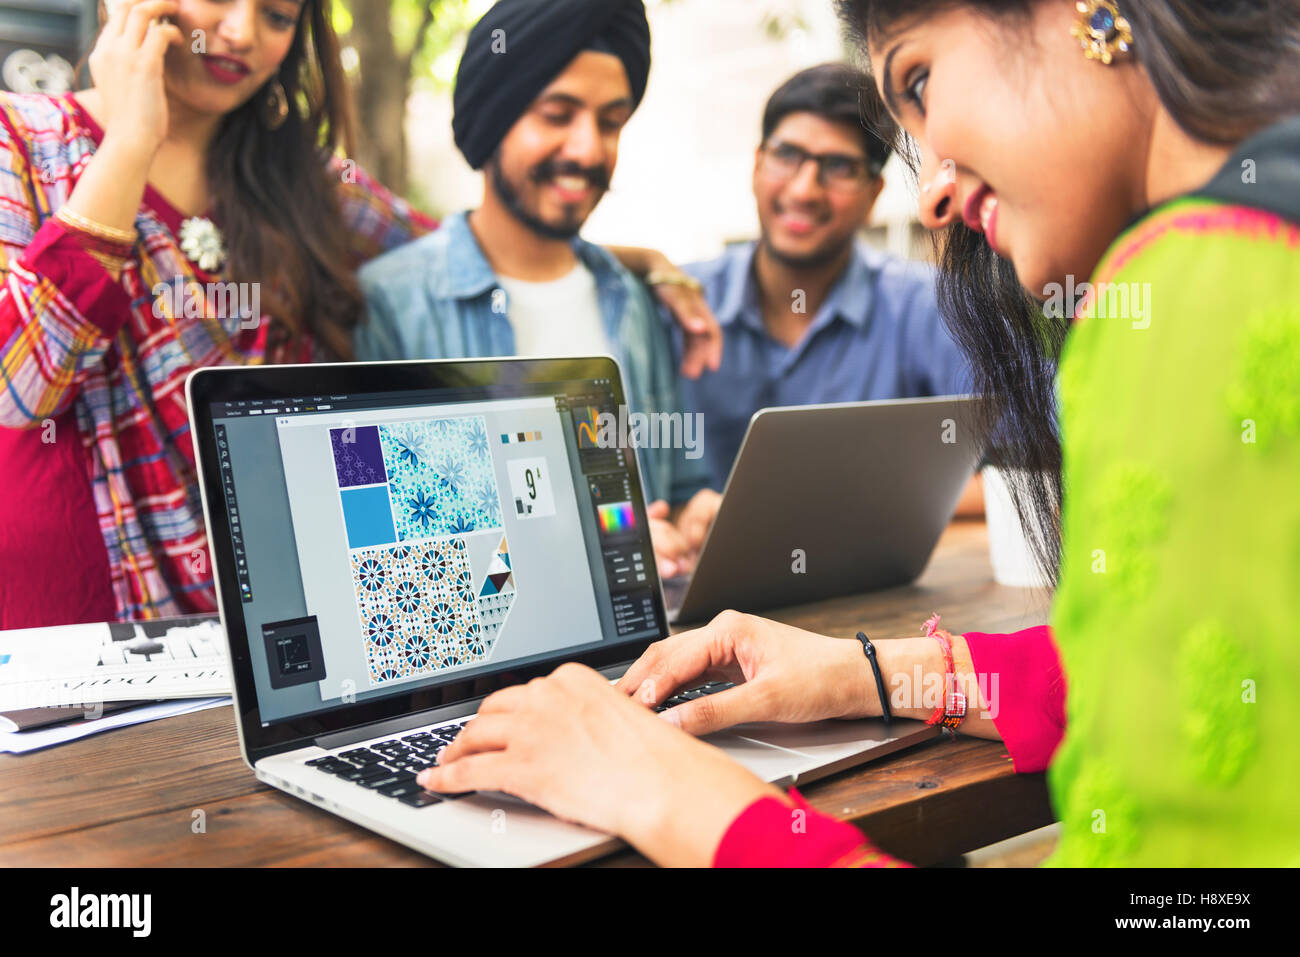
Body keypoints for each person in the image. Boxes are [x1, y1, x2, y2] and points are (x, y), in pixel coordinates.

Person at [414, 0, 1300, 866]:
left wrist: (668, 791)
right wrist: (871, 674)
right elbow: (1165, 674)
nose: (936, 195)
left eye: (919, 78)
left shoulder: (1199, 292)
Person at [0, 0, 436, 630]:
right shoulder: (22, 141)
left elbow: (456, 264)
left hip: (266, 637)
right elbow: (20, 383)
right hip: (65, 638)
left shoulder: (308, 184)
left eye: (278, 17)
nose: (241, 34)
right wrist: (129, 142)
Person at [354, 0, 719, 543]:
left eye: (610, 122)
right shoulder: (390, 303)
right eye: (557, 115)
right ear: (495, 120)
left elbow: (677, 483)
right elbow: (387, 531)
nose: (588, 148)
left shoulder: (634, 297)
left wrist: (697, 514)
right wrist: (608, 539)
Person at [653, 63, 982, 574]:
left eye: (839, 167)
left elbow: (1032, 468)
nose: (805, 189)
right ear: (757, 165)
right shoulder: (674, 304)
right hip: (700, 598)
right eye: (787, 155)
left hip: (875, 607)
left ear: (874, 194)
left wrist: (815, 513)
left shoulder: (930, 306)